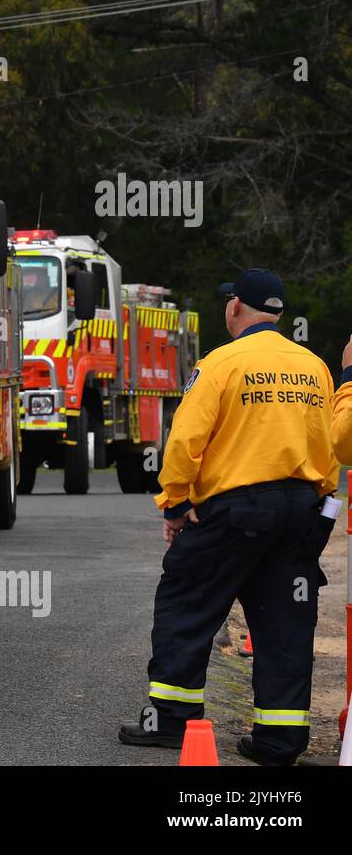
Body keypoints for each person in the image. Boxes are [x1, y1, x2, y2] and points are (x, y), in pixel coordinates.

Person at [118, 269, 339, 765]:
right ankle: (280, 742)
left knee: (187, 603)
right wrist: (319, 508)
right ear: (278, 313)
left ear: (235, 307)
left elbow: (185, 441)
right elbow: (327, 448)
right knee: (285, 624)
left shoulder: (221, 363)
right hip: (300, 511)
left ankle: (171, 722)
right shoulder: (314, 367)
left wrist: (175, 505)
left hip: (236, 511)